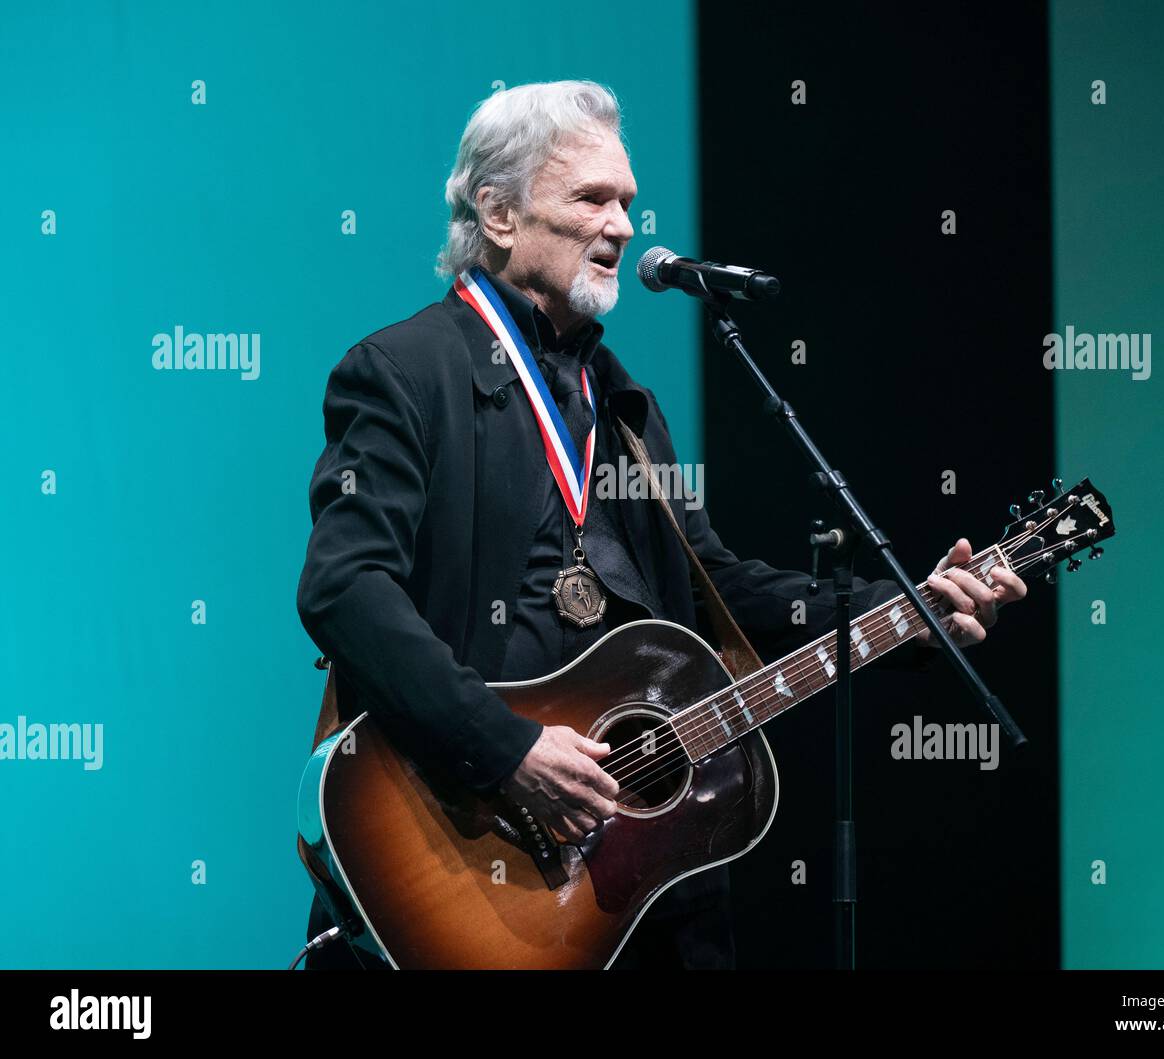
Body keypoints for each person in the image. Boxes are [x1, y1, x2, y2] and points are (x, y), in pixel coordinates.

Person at [295, 79, 1026, 970]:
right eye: (592, 199)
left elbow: (720, 586)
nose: (624, 227)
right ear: (497, 213)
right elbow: (343, 586)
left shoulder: (624, 404)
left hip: (630, 896)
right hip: (463, 854)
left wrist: (910, 608)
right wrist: (508, 747)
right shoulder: (404, 371)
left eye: (628, 203)